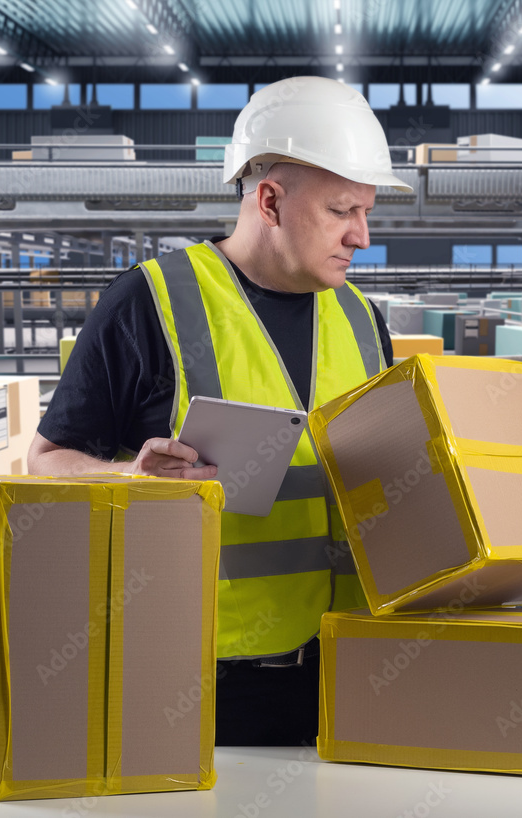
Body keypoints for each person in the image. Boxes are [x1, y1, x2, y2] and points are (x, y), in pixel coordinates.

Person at [27, 75, 412, 745]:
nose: (364, 237)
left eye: (367, 212)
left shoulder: (363, 320)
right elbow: (44, 462)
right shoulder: (149, 303)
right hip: (204, 687)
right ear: (269, 199)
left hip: (353, 672)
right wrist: (131, 483)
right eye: (344, 211)